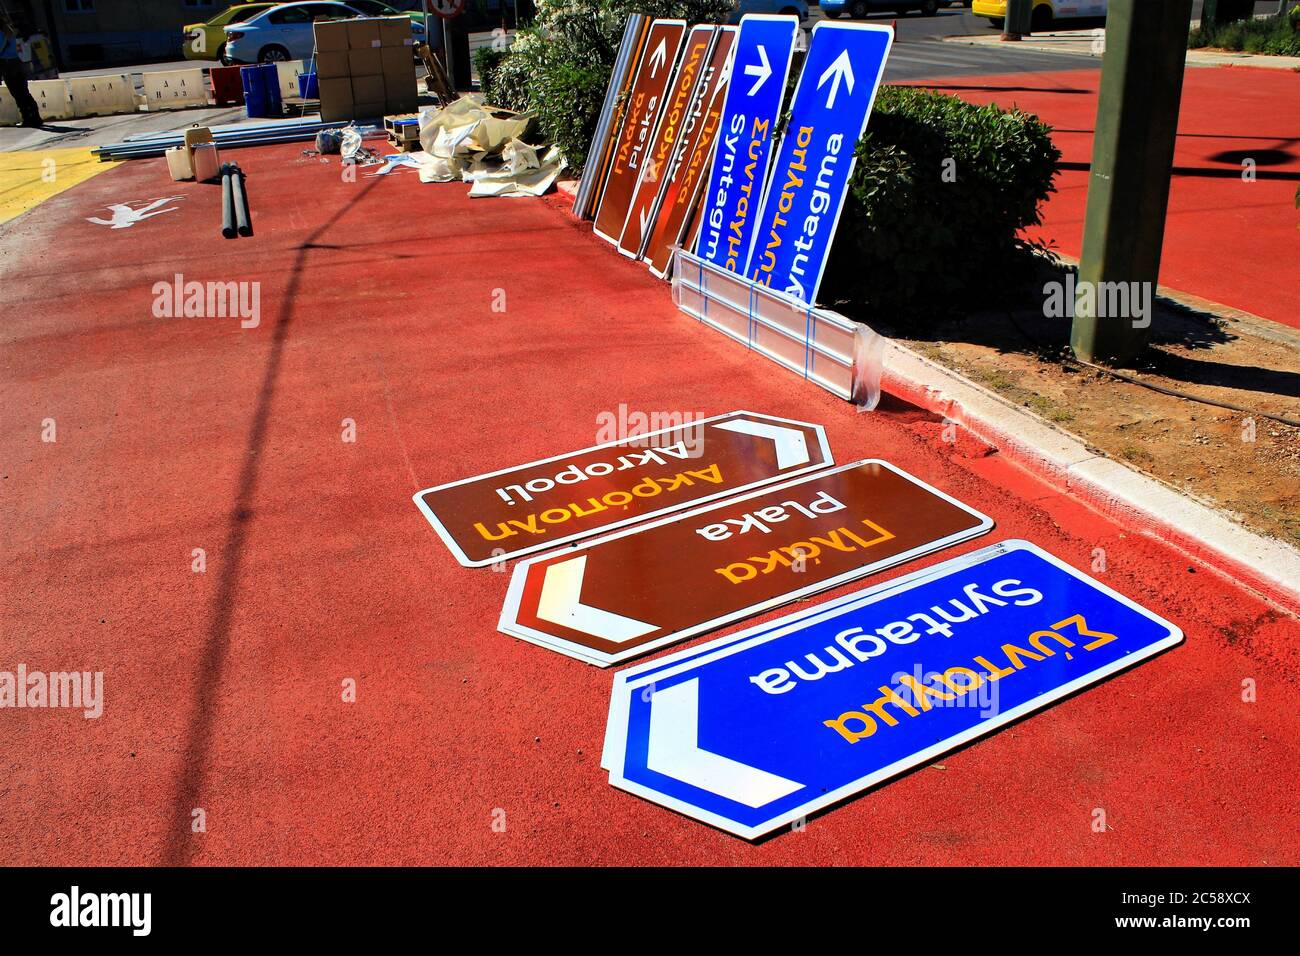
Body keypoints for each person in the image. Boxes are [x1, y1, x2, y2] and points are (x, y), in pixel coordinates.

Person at [0, 21, 41, 128]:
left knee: (16, 93)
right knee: (24, 91)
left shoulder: (1, 34)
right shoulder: (10, 33)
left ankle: (27, 118)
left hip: (7, 64)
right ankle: (36, 117)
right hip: (16, 62)